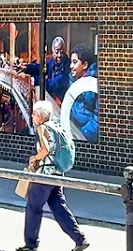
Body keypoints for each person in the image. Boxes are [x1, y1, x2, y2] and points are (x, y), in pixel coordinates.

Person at [18, 100, 89, 251]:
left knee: (33, 206)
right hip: (58, 173)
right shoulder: (56, 127)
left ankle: (30, 245)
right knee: (58, 207)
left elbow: (46, 149)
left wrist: (35, 158)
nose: (32, 116)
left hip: (45, 175)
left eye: (34, 113)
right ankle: (79, 238)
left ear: (40, 116)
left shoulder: (42, 128)